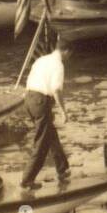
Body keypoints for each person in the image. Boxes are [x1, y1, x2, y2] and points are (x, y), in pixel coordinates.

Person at [20, 34, 71, 191]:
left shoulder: (41, 60)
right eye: (69, 55)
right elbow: (56, 90)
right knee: (41, 143)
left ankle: (63, 168)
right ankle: (27, 180)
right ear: (66, 52)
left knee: (50, 134)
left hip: (29, 99)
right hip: (40, 102)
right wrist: (63, 111)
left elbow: (30, 81)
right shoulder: (58, 65)